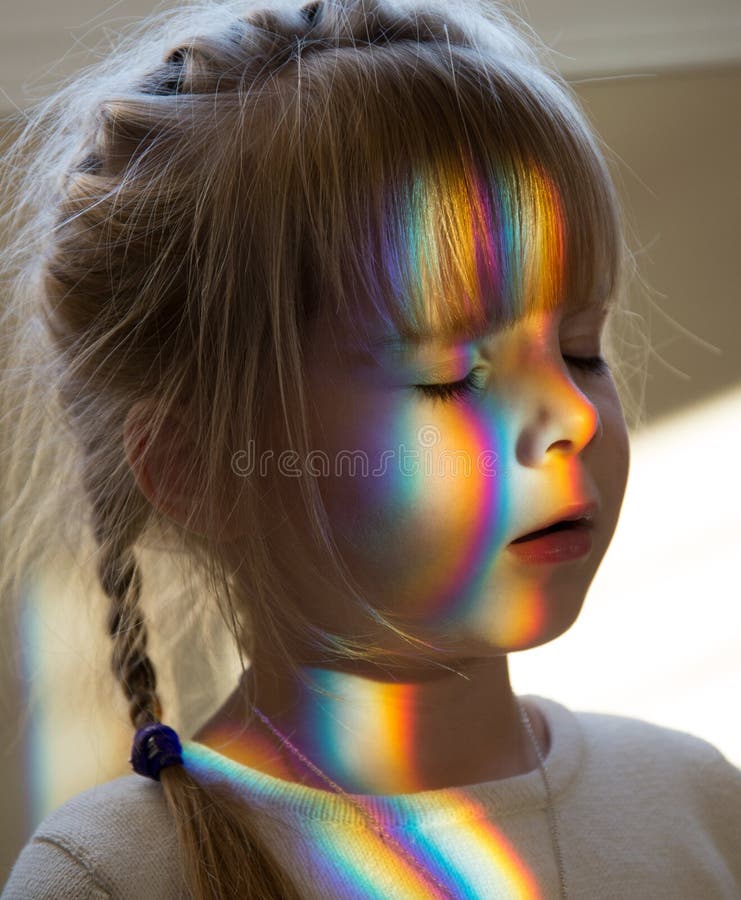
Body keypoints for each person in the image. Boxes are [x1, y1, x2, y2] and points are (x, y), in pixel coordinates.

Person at [1, 0, 739, 897]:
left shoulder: (696, 803)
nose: (571, 416)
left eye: (581, 350)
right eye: (451, 373)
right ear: (195, 468)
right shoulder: (116, 875)